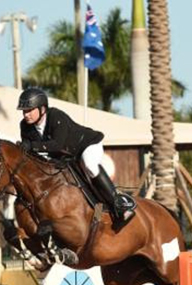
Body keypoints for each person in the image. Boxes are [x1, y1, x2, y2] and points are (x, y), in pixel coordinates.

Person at [16, 87, 137, 227]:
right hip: (65, 157)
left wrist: (32, 146)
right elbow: (33, 154)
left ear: (42, 109)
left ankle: (119, 203)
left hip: (86, 145)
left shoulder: (56, 116)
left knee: (90, 165)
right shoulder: (25, 126)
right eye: (24, 111)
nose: (26, 114)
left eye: (30, 110)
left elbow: (57, 145)